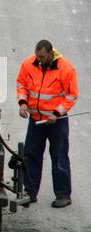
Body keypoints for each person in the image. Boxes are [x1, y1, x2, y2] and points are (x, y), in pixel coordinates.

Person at [16, 41, 78, 208]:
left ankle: (63, 195)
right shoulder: (29, 63)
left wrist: (57, 113)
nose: (39, 60)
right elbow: (21, 84)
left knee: (59, 157)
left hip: (56, 121)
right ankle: (30, 192)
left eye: (42, 57)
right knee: (31, 155)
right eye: (37, 56)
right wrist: (22, 102)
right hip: (36, 118)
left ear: (51, 53)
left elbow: (71, 96)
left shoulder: (66, 69)